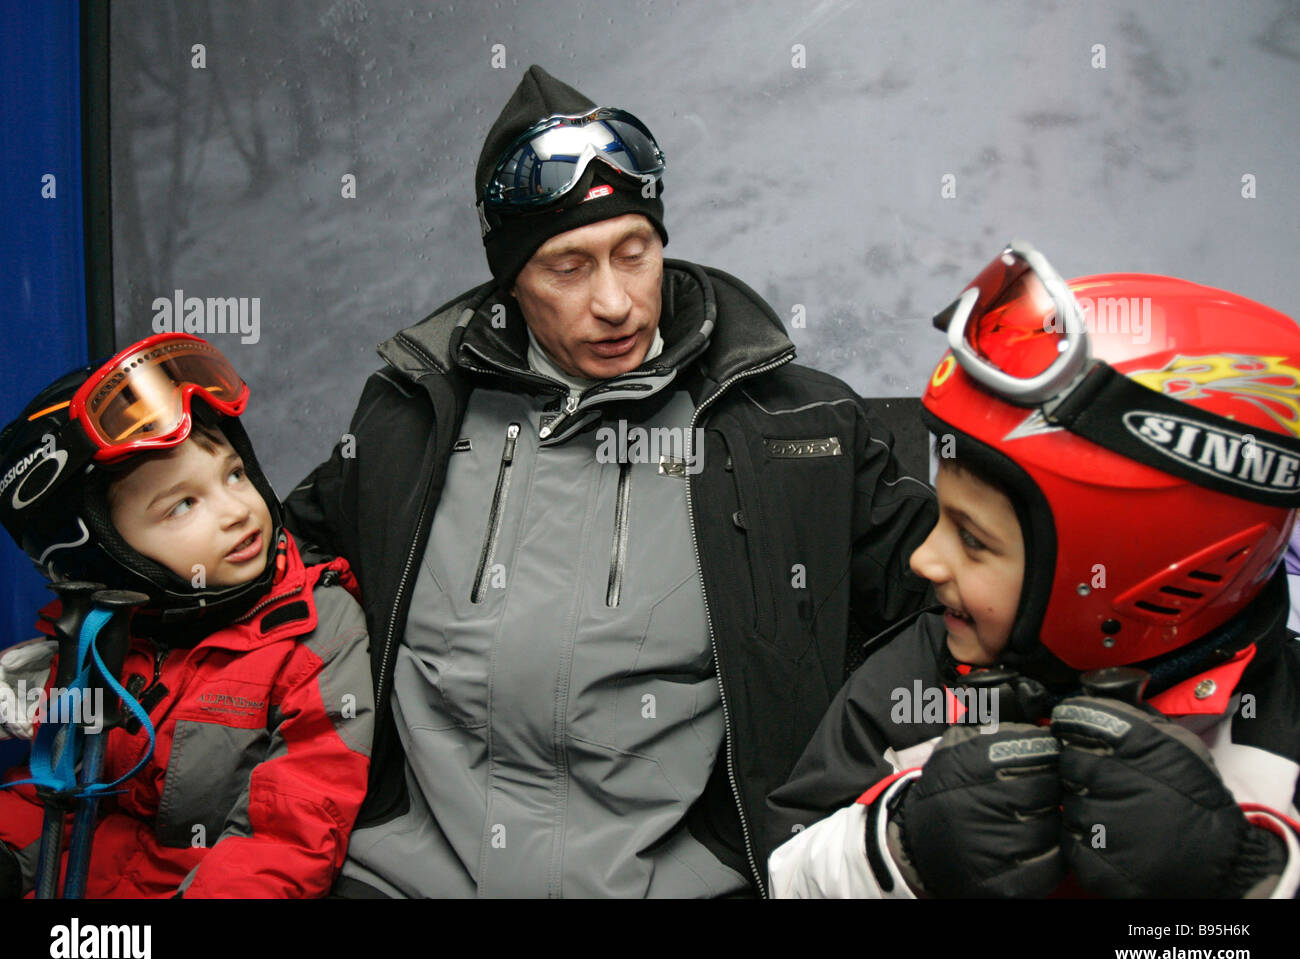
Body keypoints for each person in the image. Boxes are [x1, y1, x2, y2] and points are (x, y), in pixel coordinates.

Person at [283, 65, 937, 897]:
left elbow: (954, 606)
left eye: (635, 254)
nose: (616, 302)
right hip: (401, 881)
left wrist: (839, 808)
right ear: (511, 282)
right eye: (567, 268)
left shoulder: (796, 433)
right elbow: (276, 584)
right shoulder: (410, 416)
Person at [767, 241, 1300, 898]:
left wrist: (1250, 881)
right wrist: (893, 849)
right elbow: (785, 867)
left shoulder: (1283, 723)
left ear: (1126, 573)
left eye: (974, 539)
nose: (923, 559)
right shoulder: (912, 681)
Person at [0, 333, 373, 898]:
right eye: (183, 505)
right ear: (104, 554)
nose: (236, 512)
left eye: (233, 474)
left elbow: (285, 843)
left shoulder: (318, 633)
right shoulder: (101, 642)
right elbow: (53, 796)